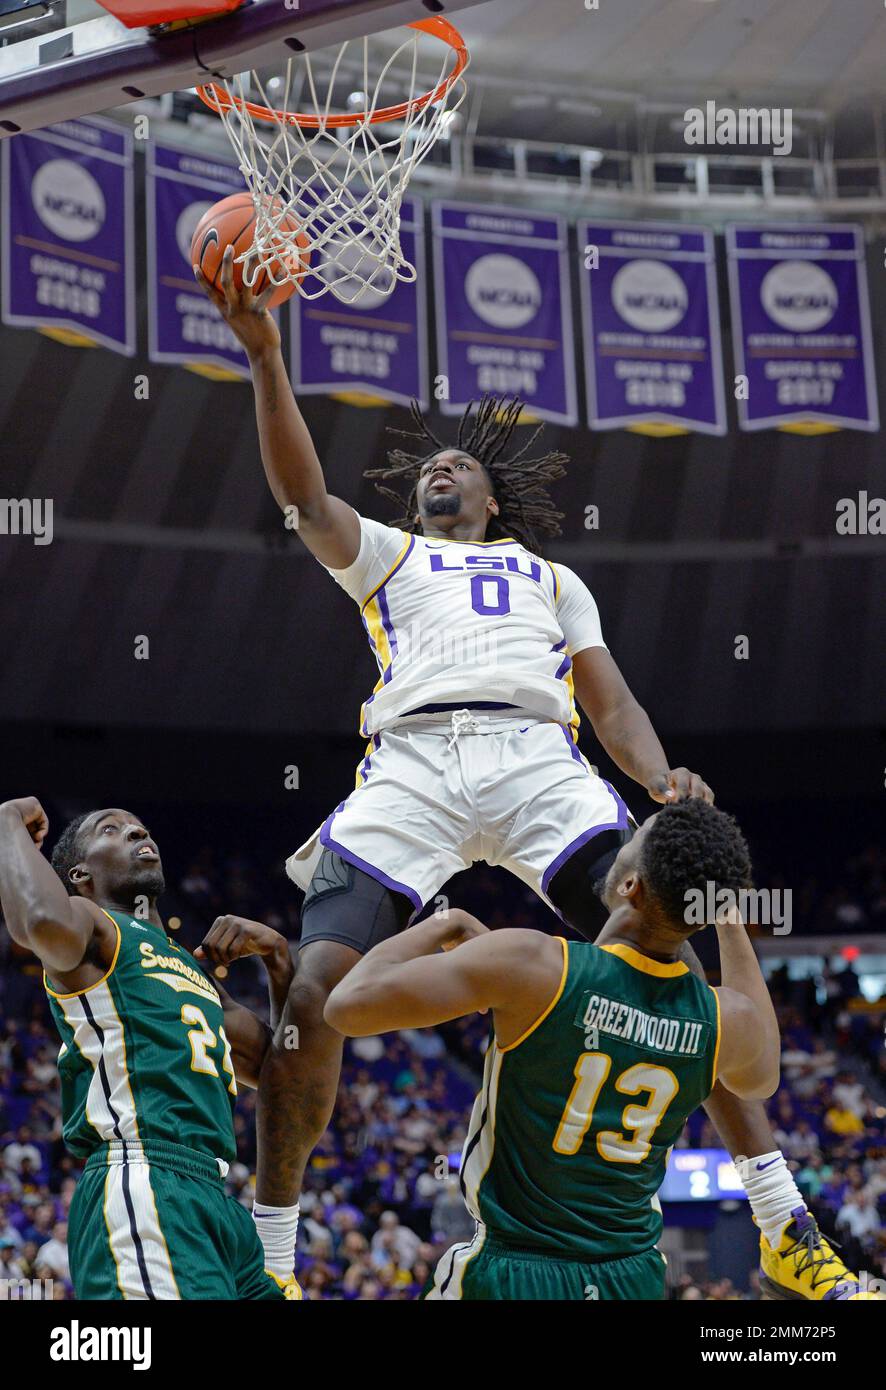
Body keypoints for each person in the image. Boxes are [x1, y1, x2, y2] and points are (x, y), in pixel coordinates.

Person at [196, 253, 866, 1301]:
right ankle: (274, 1263)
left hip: (535, 764)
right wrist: (265, 354)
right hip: (409, 769)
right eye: (429, 469)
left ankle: (783, 1221)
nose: (439, 472)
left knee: (665, 954)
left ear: (492, 494)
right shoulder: (388, 556)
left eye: (458, 466)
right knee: (316, 1001)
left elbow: (611, 701)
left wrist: (656, 780)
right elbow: (303, 496)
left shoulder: (552, 579)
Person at [326, 801, 850, 1299]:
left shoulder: (534, 966)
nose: (619, 835)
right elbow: (760, 1080)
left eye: (632, 835)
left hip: (514, 1272)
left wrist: (447, 922)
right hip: (636, 1275)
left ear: (628, 884)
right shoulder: (722, 1019)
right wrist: (728, 917)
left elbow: (345, 1006)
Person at [0, 796, 298, 1300]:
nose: (138, 834)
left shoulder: (193, 970)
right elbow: (41, 924)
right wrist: (8, 820)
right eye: (112, 831)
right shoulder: (92, 924)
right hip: (145, 1175)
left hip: (217, 1200)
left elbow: (287, 1074)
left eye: (139, 827)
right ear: (78, 875)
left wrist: (278, 960)